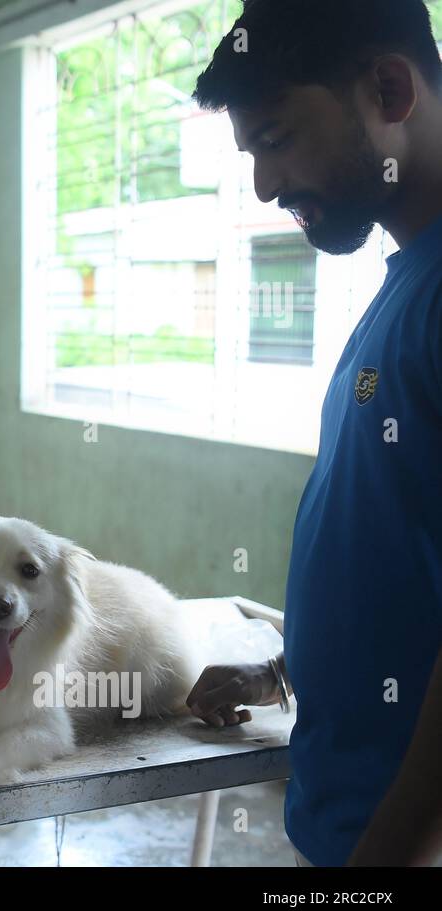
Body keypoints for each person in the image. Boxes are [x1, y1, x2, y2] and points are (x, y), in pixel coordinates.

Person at [187, 0, 442, 866]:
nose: (263, 185)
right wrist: (288, 672)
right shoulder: (404, 287)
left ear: (389, 88)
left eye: (277, 139)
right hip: (346, 820)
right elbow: (398, 541)